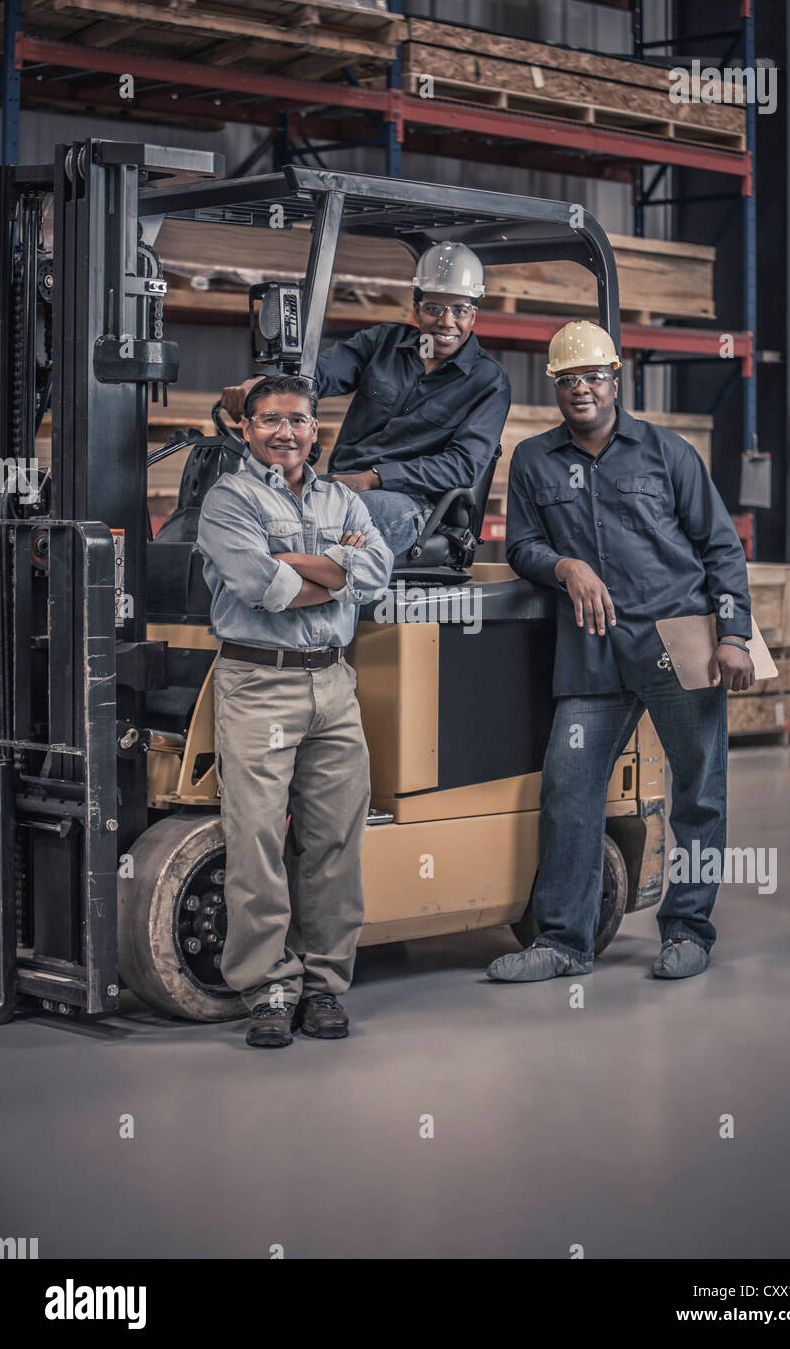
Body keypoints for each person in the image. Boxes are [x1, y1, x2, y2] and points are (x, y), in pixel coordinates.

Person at [486, 321, 755, 986]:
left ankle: (689, 931)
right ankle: (564, 942)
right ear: (555, 387)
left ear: (616, 379)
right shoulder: (533, 460)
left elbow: (720, 546)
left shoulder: (669, 454)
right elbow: (520, 546)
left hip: (680, 642)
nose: (582, 389)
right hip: (592, 651)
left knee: (699, 793)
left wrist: (734, 634)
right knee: (570, 791)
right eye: (568, 379)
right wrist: (564, 566)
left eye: (593, 377)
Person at [196, 374, 393, 1048]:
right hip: (258, 682)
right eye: (271, 420)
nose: (286, 431)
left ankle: (324, 986)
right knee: (255, 841)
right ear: (247, 428)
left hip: (334, 685)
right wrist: (338, 570)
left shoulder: (344, 497)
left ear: (316, 429)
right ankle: (269, 990)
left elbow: (377, 576)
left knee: (336, 841)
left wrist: (308, 570)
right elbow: (261, 586)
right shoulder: (228, 499)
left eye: (299, 420)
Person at [221, 242, 511, 557]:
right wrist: (264, 383)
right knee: (241, 508)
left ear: (474, 316)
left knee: (306, 535)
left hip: (413, 502)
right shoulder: (383, 343)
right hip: (342, 484)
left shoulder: (488, 382)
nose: (446, 322)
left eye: (459, 311)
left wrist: (374, 478)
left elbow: (462, 465)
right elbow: (319, 373)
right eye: (433, 308)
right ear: (416, 310)